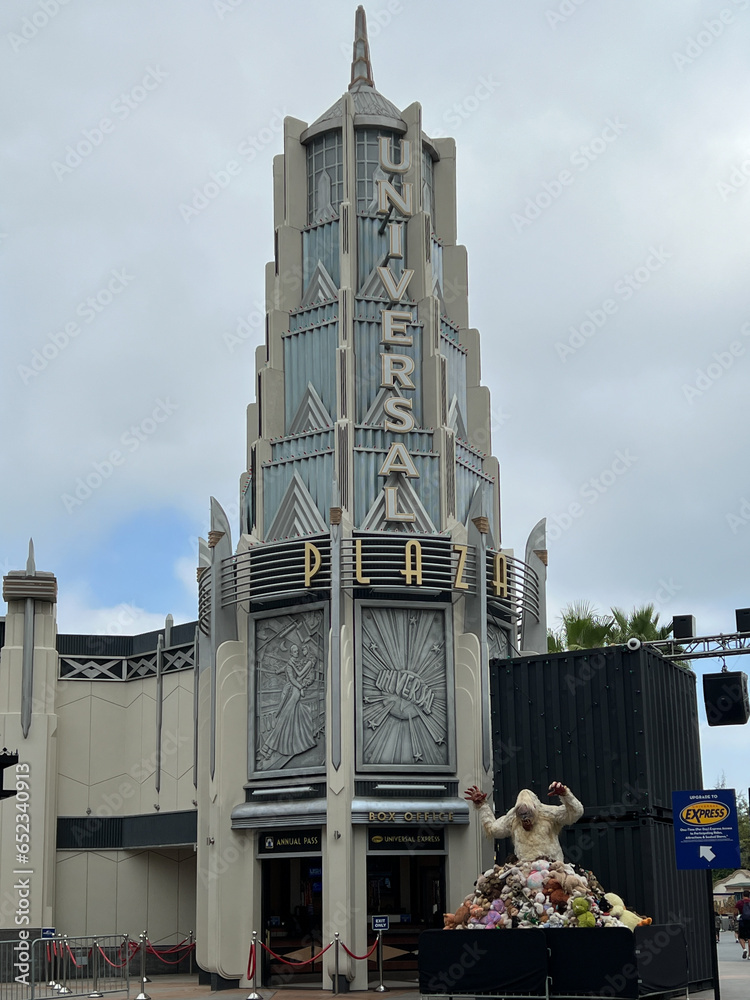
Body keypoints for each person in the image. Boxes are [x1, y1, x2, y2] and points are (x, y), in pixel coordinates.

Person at [464, 780, 583, 862]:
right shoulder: (513, 818)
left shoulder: (547, 813)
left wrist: (565, 794)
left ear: (535, 809)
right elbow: (494, 830)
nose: (525, 819)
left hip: (552, 871)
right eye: (522, 815)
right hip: (525, 873)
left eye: (528, 814)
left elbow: (576, 812)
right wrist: (482, 806)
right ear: (517, 813)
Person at [734, 891, 750, 958]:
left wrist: (735, 917)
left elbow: (735, 912)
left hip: (742, 921)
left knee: (741, 937)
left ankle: (744, 949)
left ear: (743, 895)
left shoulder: (739, 902)